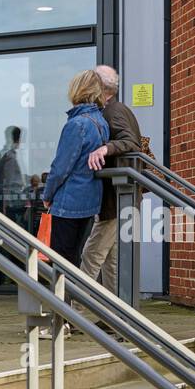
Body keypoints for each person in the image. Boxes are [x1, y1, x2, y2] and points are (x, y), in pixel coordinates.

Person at [82, 65, 143, 296]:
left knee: (92, 255)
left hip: (116, 201)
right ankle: (116, 317)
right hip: (118, 200)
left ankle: (69, 316)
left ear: (99, 87)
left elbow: (131, 142)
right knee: (112, 261)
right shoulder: (112, 110)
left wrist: (105, 149)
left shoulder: (113, 111)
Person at [42, 71, 110, 271]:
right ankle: (71, 301)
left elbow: (61, 167)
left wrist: (48, 194)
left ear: (77, 90)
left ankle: (62, 301)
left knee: (61, 261)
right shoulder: (101, 123)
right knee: (74, 258)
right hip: (89, 199)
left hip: (68, 201)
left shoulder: (76, 124)